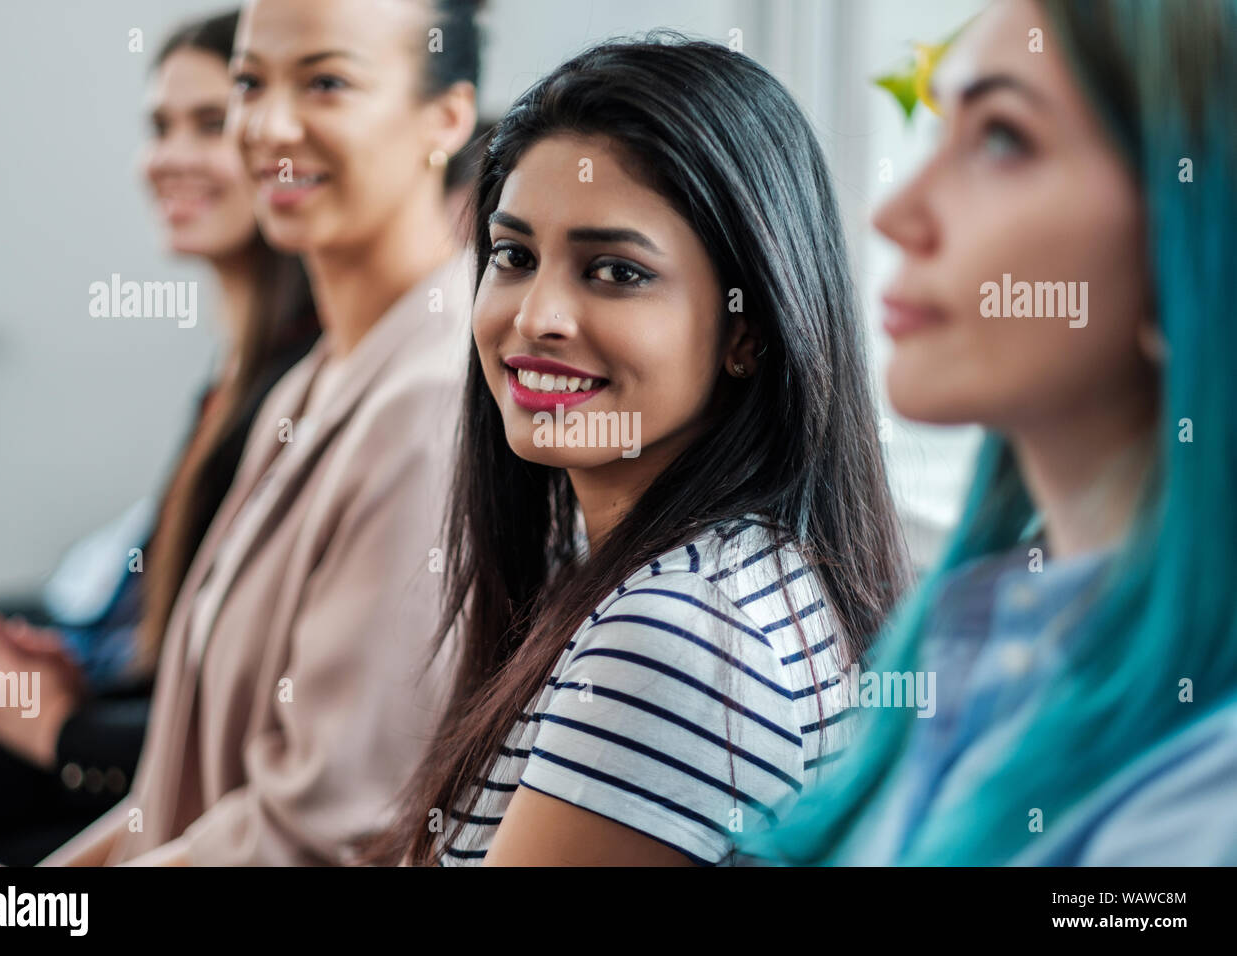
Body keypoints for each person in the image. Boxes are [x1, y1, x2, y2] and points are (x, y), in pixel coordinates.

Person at [374, 35, 909, 867]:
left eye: (615, 272)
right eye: (514, 256)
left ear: (747, 330)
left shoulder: (685, 637)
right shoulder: (655, 573)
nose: (536, 316)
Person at [744, 0, 1237, 866]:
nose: (895, 213)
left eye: (1003, 137)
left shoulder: (1206, 806)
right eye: (940, 129)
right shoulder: (968, 638)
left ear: (1191, 236)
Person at [0, 9, 318, 865]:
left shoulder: (302, 398)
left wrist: (64, 728)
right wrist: (74, 676)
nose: (170, 158)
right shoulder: (230, 382)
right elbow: (171, 658)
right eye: (160, 127)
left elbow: (242, 736)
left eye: (208, 124)